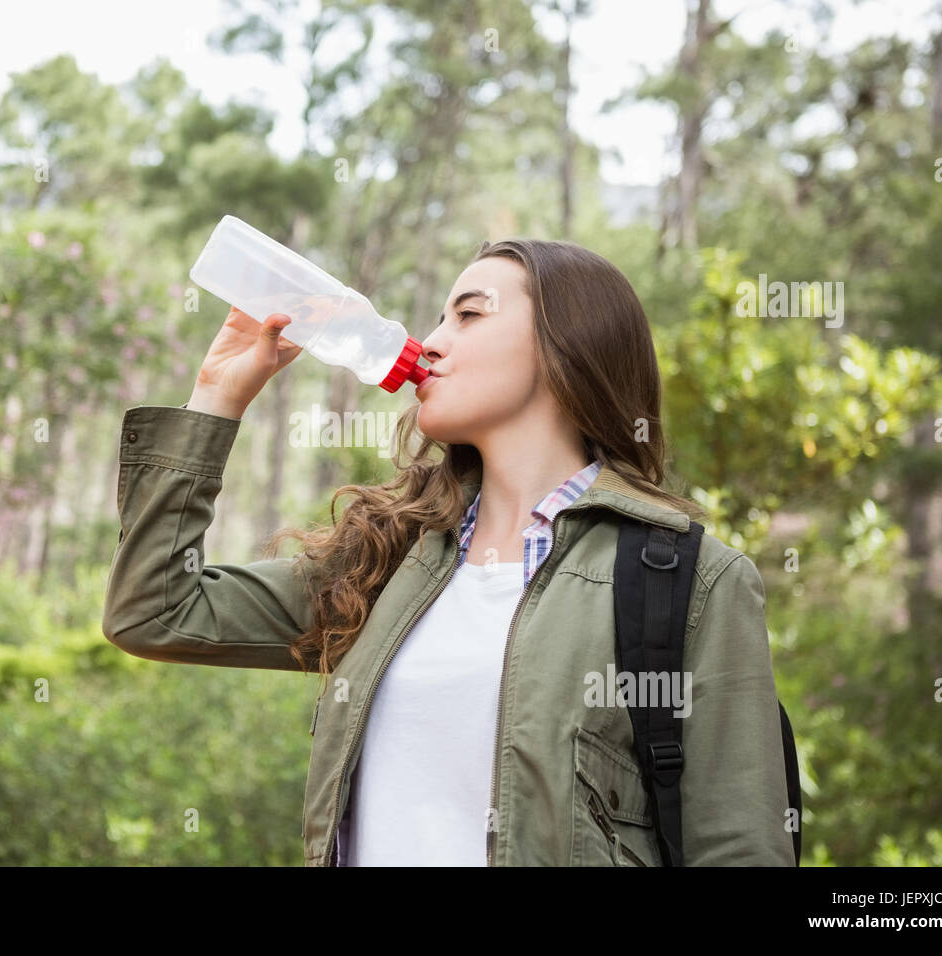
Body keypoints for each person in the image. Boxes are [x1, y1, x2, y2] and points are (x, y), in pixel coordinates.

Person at [102, 238, 796, 867]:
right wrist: (216, 398)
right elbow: (156, 610)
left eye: (468, 315)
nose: (430, 342)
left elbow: (740, 849)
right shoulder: (383, 560)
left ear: (568, 341)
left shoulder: (687, 582)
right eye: (438, 318)